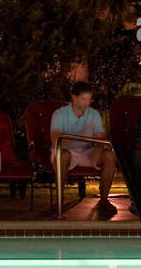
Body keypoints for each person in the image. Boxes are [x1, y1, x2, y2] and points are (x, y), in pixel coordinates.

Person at [50, 81, 119, 218]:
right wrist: (83, 135)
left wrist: (98, 148)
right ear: (74, 97)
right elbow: (57, 140)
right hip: (66, 151)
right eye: (83, 99)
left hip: (87, 151)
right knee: (61, 155)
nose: (87, 103)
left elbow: (100, 138)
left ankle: (104, 200)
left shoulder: (93, 114)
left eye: (89, 99)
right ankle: (60, 200)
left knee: (110, 155)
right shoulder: (60, 114)